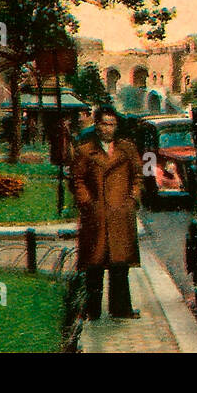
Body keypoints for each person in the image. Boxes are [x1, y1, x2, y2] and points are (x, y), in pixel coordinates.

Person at [71, 107, 143, 320]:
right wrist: (87, 203)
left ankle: (121, 309)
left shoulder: (127, 149)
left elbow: (138, 176)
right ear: (97, 125)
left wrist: (132, 199)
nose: (108, 129)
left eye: (112, 124)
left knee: (120, 264)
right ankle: (91, 310)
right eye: (104, 124)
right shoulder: (85, 151)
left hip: (121, 214)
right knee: (94, 264)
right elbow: (77, 180)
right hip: (97, 215)